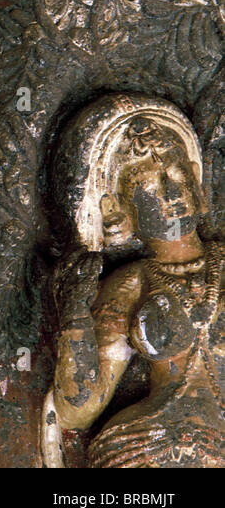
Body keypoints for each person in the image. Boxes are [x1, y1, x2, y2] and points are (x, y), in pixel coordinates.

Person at [53, 118, 225, 466]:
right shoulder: (130, 285)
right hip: (154, 440)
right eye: (149, 186)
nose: (172, 195)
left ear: (197, 179)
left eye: (178, 176)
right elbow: (78, 411)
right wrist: (74, 314)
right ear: (118, 207)